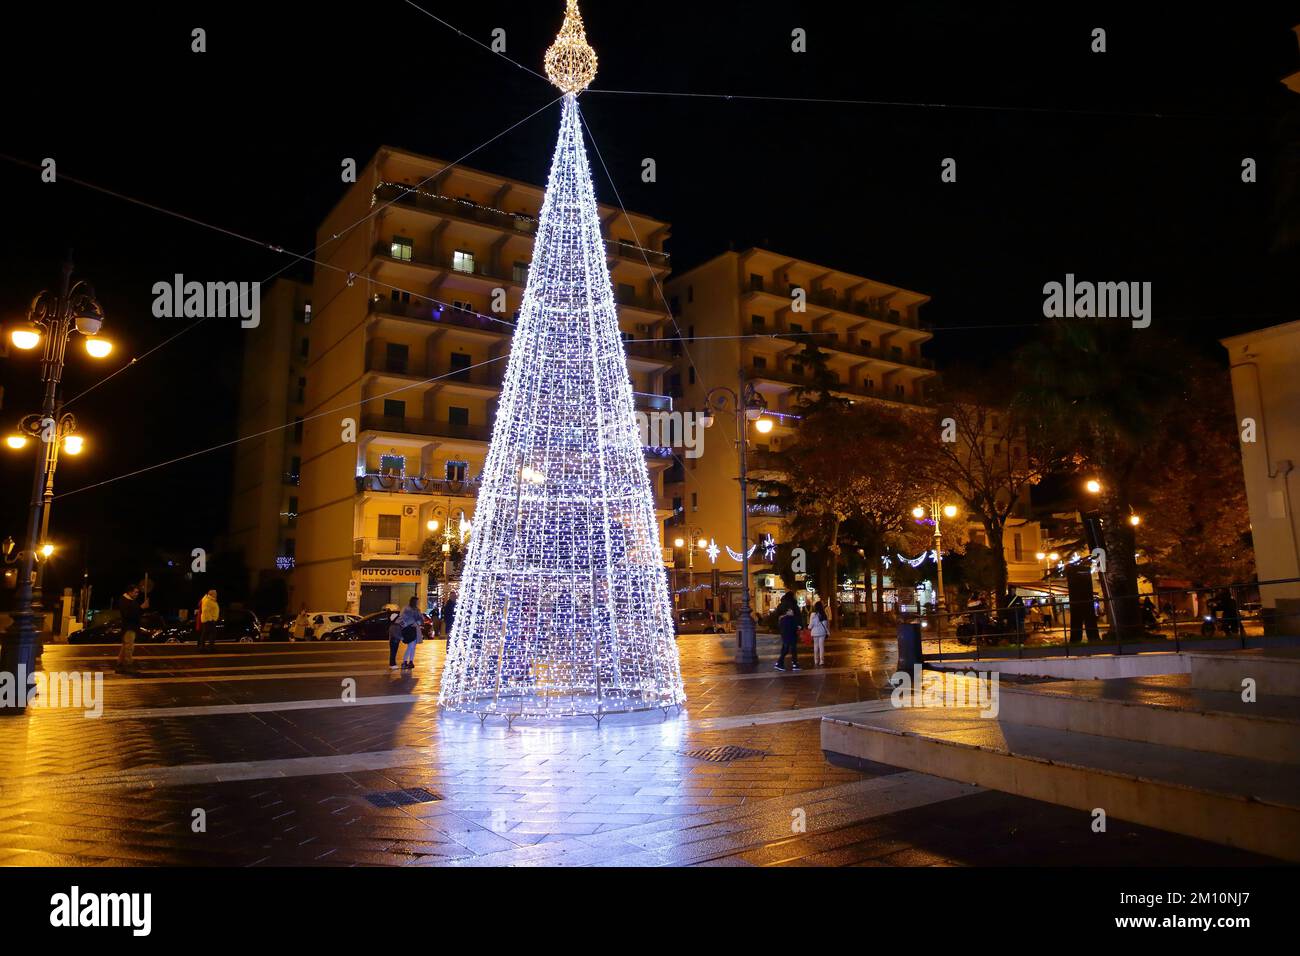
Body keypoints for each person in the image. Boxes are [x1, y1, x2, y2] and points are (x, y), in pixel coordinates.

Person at [116, 584, 148, 674]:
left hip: (131, 627)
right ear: (129, 592)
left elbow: (136, 612)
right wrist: (141, 607)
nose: (137, 594)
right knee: (129, 647)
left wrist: (142, 608)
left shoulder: (130, 600)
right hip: (129, 627)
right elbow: (129, 614)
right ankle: (127, 665)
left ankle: (120, 665)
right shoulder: (125, 601)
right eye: (135, 592)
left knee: (125, 647)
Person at [774, 591, 800, 672]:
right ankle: (781, 662)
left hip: (784, 629)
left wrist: (783, 616)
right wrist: (799, 625)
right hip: (791, 628)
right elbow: (797, 615)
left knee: (787, 646)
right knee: (791, 647)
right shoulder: (793, 605)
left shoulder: (782, 605)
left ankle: (792, 663)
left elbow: (776, 615)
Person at [399, 596, 424, 671]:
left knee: (412, 646)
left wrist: (417, 623)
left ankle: (409, 661)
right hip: (410, 629)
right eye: (416, 601)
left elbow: (421, 619)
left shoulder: (415, 609)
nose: (417, 603)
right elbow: (402, 619)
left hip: (414, 629)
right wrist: (411, 623)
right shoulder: (407, 609)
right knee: (411, 646)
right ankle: (406, 661)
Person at [809, 600, 830, 667]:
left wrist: (809, 627)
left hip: (815, 632)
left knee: (816, 646)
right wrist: (827, 631)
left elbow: (810, 625)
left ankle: (816, 660)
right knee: (821, 646)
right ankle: (821, 660)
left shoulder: (813, 615)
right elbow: (825, 624)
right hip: (822, 632)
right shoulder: (824, 614)